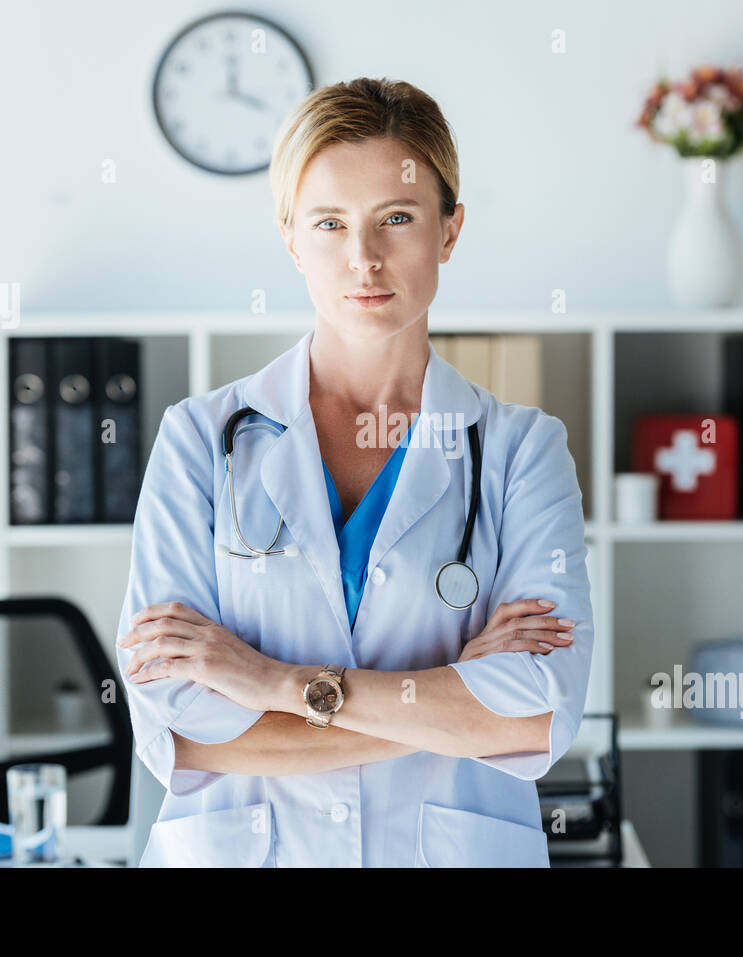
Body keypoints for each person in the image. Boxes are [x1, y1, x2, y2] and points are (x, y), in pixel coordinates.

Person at [115, 76, 594, 867]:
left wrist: (267, 680)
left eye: (396, 218)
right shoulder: (201, 440)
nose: (363, 258)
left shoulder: (520, 451)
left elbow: (534, 718)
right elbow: (177, 726)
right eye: (329, 223)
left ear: (449, 230)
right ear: (291, 239)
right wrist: (447, 692)